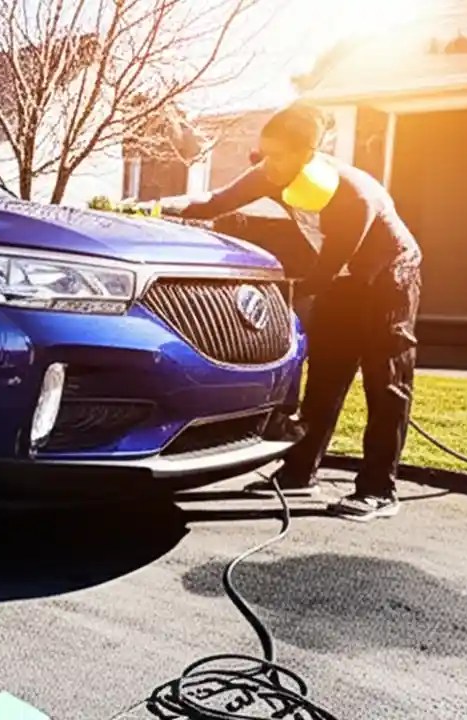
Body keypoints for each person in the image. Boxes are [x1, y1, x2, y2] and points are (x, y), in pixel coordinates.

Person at [159, 102, 422, 522]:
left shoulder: (352, 195)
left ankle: (378, 488)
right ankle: (300, 472)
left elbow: (323, 273)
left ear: (308, 156)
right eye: (264, 152)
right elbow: (213, 202)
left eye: (278, 156)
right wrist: (156, 207)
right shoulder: (268, 174)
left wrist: (265, 297)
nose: (267, 163)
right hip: (342, 279)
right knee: (324, 376)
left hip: (387, 276)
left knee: (385, 380)